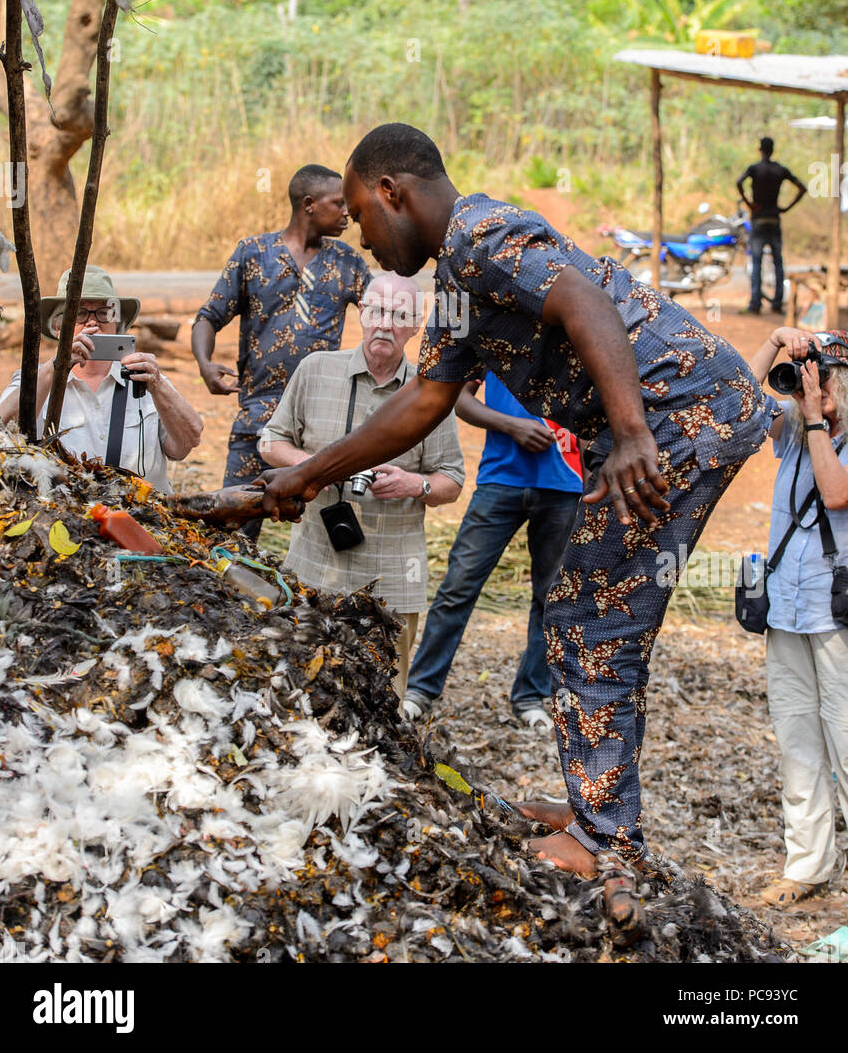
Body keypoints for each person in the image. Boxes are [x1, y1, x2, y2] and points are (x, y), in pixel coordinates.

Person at [258, 122, 778, 890]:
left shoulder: (480, 233)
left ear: (391, 193)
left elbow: (583, 299)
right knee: (585, 612)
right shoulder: (461, 286)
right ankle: (598, 813)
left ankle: (609, 841)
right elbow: (424, 402)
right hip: (671, 421)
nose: (361, 238)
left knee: (590, 620)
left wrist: (629, 433)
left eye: (361, 216)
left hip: (679, 417)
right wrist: (309, 475)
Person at [258, 272, 465, 701]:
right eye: (377, 311)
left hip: (392, 577)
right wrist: (319, 468)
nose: (385, 324)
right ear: (361, 315)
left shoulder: (431, 394)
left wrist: (414, 483)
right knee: (300, 689)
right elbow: (271, 442)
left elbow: (452, 482)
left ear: (416, 324)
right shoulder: (316, 369)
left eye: (398, 314)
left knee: (382, 703)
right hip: (313, 564)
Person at [192, 164, 372, 528]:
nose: (346, 213)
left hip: (320, 425)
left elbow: (383, 314)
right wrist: (204, 364)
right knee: (234, 526)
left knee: (327, 529)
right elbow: (209, 317)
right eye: (337, 204)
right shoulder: (253, 254)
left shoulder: (347, 262)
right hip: (258, 419)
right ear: (309, 204)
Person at [403, 372, 582, 729]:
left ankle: (531, 695)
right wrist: (513, 426)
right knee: (458, 586)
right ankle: (419, 690)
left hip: (566, 483)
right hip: (500, 480)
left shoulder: (583, 334)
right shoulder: (497, 333)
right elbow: (460, 398)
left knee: (552, 599)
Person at [747, 326, 848, 906]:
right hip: (786, 608)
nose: (813, 388)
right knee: (798, 741)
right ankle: (807, 866)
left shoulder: (817, 432)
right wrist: (774, 342)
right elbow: (732, 398)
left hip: (837, 617)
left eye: (825, 377)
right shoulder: (791, 433)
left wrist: (814, 418)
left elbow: (835, 493)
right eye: (809, 377)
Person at [0, 265, 203, 492]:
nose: (93, 323)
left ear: (117, 326)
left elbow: (187, 442)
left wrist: (159, 385)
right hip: (67, 519)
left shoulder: (146, 378)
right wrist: (55, 368)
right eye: (79, 313)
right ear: (58, 328)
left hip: (146, 518)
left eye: (104, 313)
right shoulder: (37, 379)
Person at [737, 136, 806, 315]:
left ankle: (755, 303)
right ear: (773, 150)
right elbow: (802, 188)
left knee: (757, 262)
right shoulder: (780, 170)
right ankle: (777, 302)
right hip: (774, 218)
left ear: (760, 150)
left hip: (759, 219)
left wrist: (749, 203)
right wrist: (786, 208)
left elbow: (738, 182)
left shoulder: (754, 169)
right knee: (777, 262)